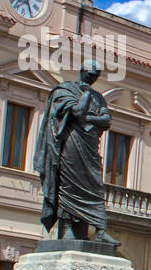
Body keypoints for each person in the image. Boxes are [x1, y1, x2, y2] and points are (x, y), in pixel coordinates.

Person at [33, 59, 119, 245]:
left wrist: (87, 117)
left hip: (90, 149)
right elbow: (78, 111)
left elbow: (107, 120)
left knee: (95, 186)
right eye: (91, 73)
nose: (94, 78)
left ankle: (101, 229)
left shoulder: (99, 97)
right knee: (69, 185)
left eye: (97, 75)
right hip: (71, 145)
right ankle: (68, 228)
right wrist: (86, 97)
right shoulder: (64, 90)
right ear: (82, 71)